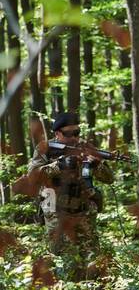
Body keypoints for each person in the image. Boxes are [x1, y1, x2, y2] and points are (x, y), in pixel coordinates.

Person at [25, 112, 114, 279]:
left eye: (77, 132)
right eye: (69, 133)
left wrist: (97, 165)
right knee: (63, 262)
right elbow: (33, 177)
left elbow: (109, 178)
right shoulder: (45, 149)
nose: (74, 137)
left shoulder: (85, 147)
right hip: (57, 213)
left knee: (93, 262)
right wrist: (59, 165)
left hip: (84, 213)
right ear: (57, 133)